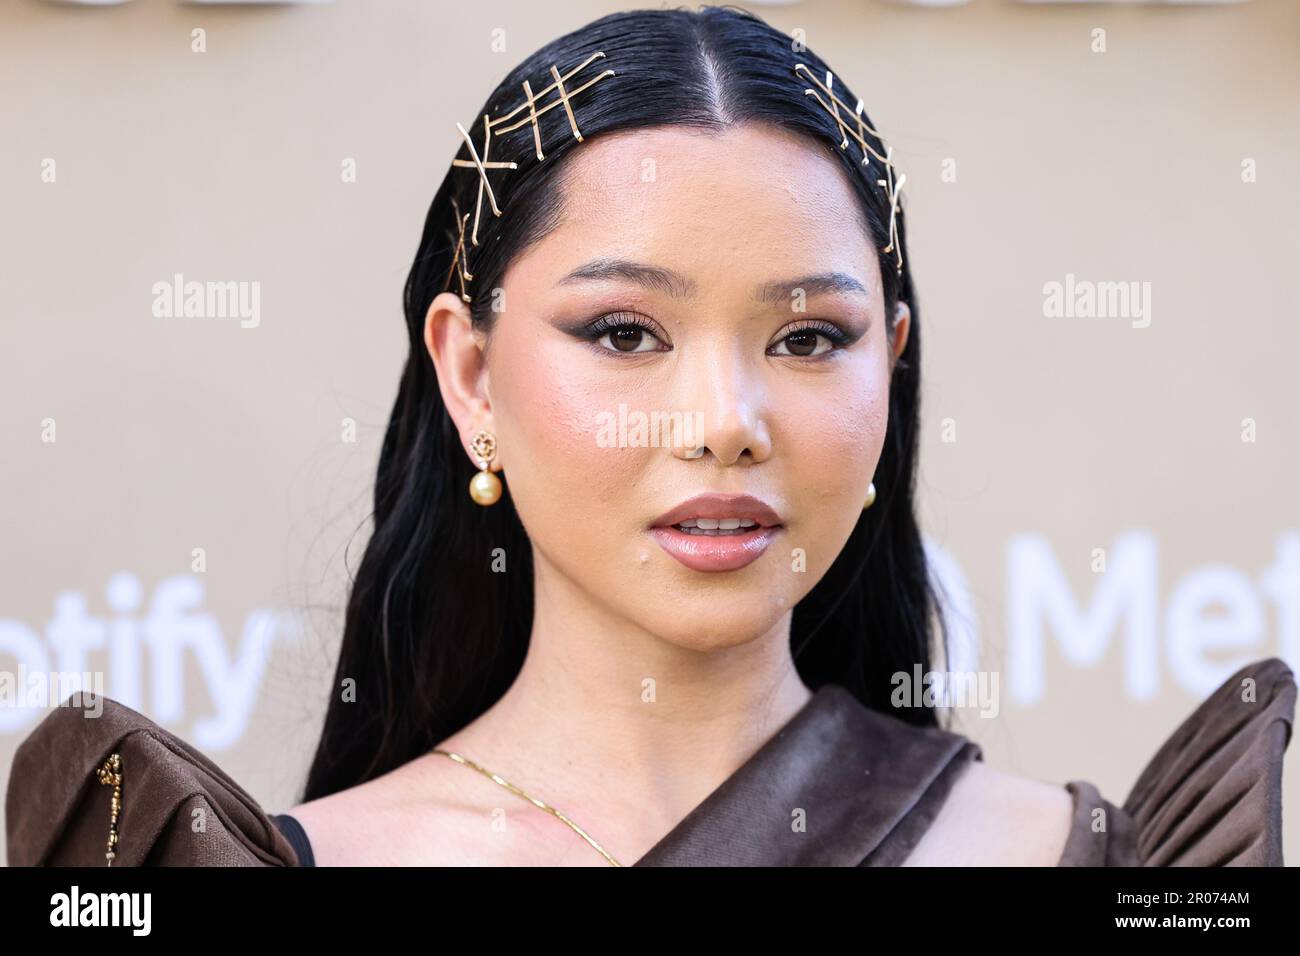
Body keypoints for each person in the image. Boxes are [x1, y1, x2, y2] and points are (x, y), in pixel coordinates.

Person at [7, 5, 1293, 868]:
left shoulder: (1103, 863)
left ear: (888, 370)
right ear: (470, 373)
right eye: (623, 332)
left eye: (806, 338)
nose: (724, 423)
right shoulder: (215, 862)